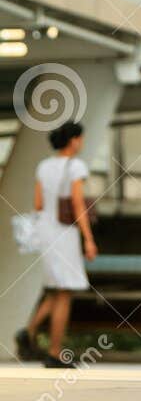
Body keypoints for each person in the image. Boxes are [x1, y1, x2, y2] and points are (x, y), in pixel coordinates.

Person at [13, 121, 96, 369]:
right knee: (65, 291)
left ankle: (28, 333)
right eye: (80, 139)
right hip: (65, 232)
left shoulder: (44, 166)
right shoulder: (75, 166)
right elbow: (79, 204)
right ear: (73, 141)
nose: (81, 143)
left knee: (56, 289)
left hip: (45, 231)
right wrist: (89, 239)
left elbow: (38, 203)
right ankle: (55, 352)